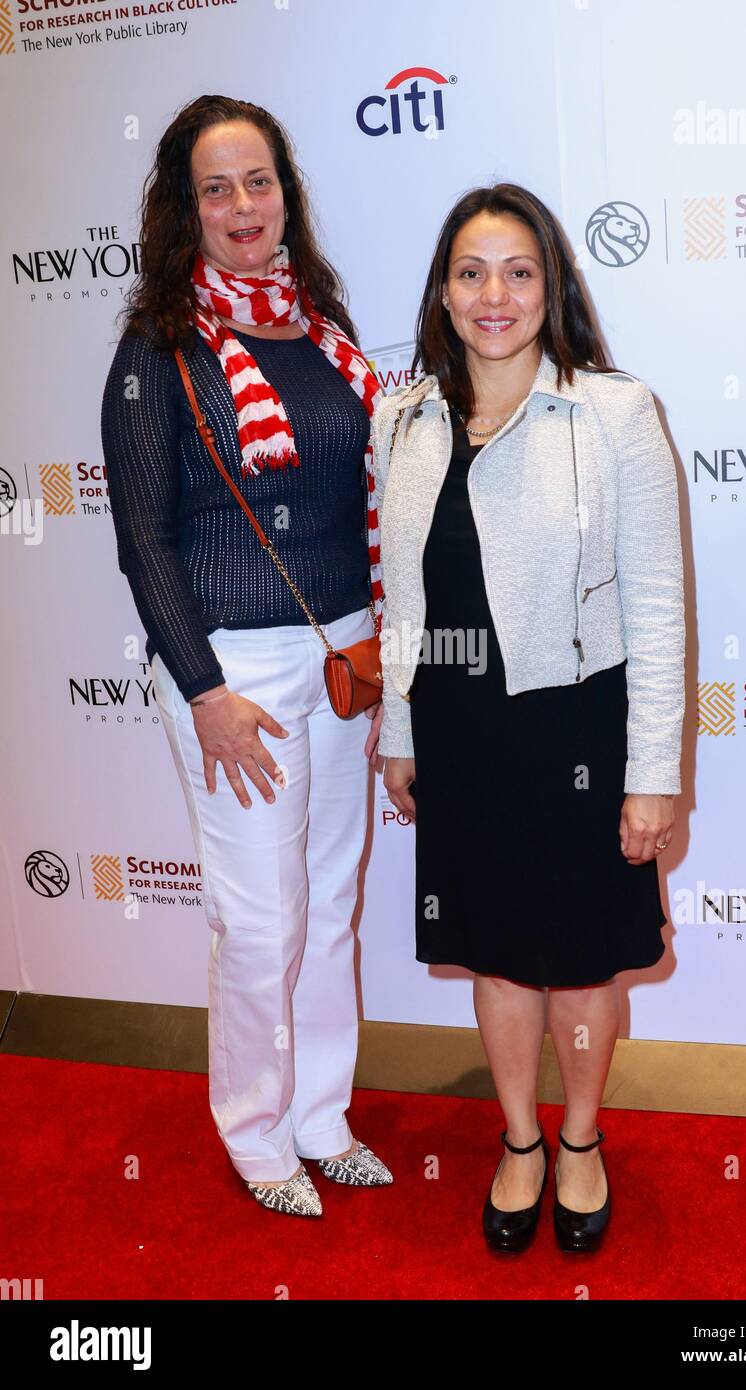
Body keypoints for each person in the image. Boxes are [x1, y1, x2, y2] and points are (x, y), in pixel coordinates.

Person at [372, 184, 685, 1253]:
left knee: (582, 961)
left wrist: (651, 772)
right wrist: (401, 732)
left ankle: (582, 1138)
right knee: (495, 954)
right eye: (469, 272)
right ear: (442, 292)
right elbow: (402, 601)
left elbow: (654, 602)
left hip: (576, 734)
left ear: (550, 287)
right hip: (460, 728)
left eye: (516, 271)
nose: (492, 294)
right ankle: (516, 1139)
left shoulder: (612, 410)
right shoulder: (403, 418)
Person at [100, 94, 392, 1218]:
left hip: (343, 660)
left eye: (257, 181)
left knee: (327, 902)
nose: (240, 206)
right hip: (232, 672)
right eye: (213, 188)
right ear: (184, 208)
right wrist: (204, 688)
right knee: (259, 915)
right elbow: (143, 536)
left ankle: (323, 1115)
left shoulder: (320, 329)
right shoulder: (157, 348)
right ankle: (257, 1132)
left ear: (286, 193)